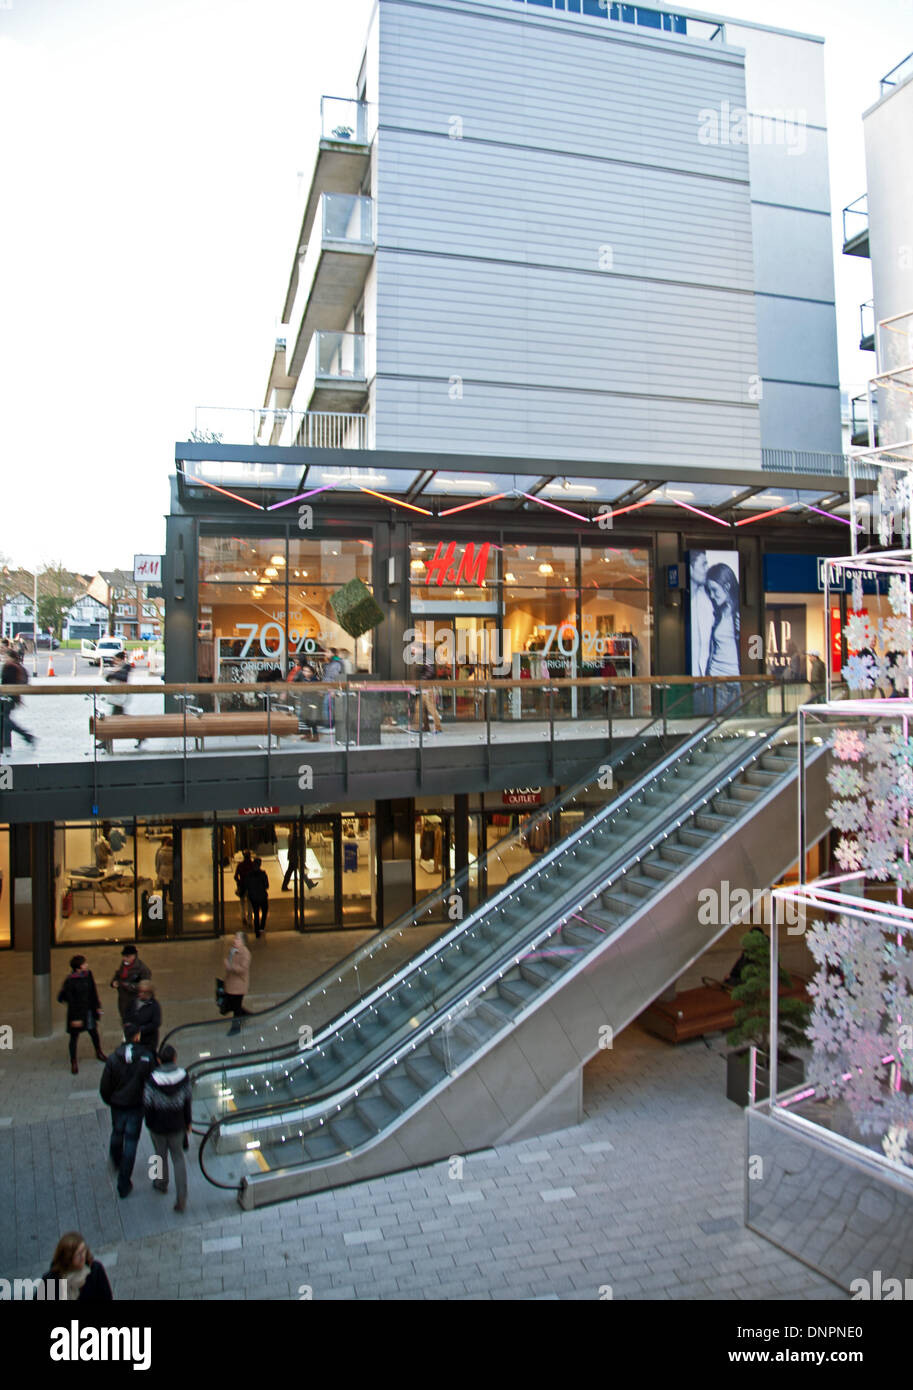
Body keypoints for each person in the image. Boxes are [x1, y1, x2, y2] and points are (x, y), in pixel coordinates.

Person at [99, 1022, 155, 1198]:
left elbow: (105, 1086)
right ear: (137, 1036)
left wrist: (111, 1100)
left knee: (117, 1132)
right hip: (136, 1106)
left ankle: (116, 1160)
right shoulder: (146, 1057)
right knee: (131, 1142)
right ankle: (123, 1183)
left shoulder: (114, 1058)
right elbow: (152, 1084)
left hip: (118, 1104)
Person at [143, 1042, 192, 1213]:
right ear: (175, 1058)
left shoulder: (152, 1080)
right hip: (177, 1123)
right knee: (178, 1158)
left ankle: (160, 1183)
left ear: (159, 1060)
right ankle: (181, 1197)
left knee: (158, 1155)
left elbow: (147, 1103)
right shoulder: (184, 1077)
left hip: (157, 1124)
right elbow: (187, 1100)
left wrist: (148, 1122)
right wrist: (188, 1122)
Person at [58, 954, 106, 1074]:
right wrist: (75, 1018)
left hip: (89, 1010)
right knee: (74, 1037)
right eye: (84, 964)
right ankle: (73, 1061)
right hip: (76, 1013)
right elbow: (66, 999)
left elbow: (93, 992)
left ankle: (99, 1052)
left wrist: (97, 1006)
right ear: (78, 968)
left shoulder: (88, 975)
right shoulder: (70, 981)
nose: (87, 965)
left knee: (94, 1032)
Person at [35, 1233, 113, 1301]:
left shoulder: (95, 1270)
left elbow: (106, 1297)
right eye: (78, 1254)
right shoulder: (51, 1279)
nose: (83, 1256)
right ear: (67, 1257)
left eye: (83, 1251)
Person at [0, 645, 35, 748]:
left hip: (7, 697)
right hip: (13, 698)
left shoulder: (10, 667)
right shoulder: (20, 667)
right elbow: (25, 682)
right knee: (5, 720)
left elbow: (5, 682)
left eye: (6, 657)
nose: (4, 659)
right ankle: (6, 744)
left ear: (11, 657)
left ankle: (26, 736)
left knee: (5, 720)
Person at [110, 944, 151, 1021]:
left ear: (133, 956)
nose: (124, 958)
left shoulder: (142, 969)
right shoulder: (124, 964)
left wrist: (128, 985)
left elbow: (145, 985)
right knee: (125, 1020)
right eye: (124, 956)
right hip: (123, 999)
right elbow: (118, 975)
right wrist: (114, 982)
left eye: (127, 956)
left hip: (134, 1000)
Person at [223, 931, 252, 1033]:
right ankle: (245, 1014)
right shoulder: (232, 950)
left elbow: (243, 969)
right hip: (230, 983)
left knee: (236, 1007)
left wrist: (230, 967)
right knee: (234, 1005)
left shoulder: (246, 953)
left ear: (243, 942)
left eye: (237, 939)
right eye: (235, 938)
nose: (235, 940)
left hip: (239, 985)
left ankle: (235, 1028)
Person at [124, 978, 162, 1053]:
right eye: (139, 991)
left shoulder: (154, 1006)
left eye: (143, 992)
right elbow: (126, 1015)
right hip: (132, 1037)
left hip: (147, 1040)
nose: (140, 994)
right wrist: (128, 1025)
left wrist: (141, 1030)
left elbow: (156, 1023)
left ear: (149, 993)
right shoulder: (133, 1002)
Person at [411, 643, 442, 733]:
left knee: (431, 708)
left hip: (427, 688)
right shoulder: (419, 659)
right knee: (419, 708)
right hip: (422, 687)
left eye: (414, 648)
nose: (412, 650)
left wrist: (421, 681)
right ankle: (422, 727)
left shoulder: (426, 658)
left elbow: (431, 671)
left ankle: (438, 727)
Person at [292, 661, 321, 741]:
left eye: (308, 671)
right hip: (304, 701)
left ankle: (315, 735)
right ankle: (307, 733)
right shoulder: (303, 680)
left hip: (312, 701)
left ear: (312, 672)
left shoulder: (315, 680)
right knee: (305, 718)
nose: (305, 673)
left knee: (312, 719)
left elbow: (316, 691)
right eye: (304, 671)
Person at [245, 857, 270, 938]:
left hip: (253, 897)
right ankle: (261, 927)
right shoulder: (263, 874)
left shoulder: (249, 874)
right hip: (262, 896)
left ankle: (257, 931)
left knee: (256, 914)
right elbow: (267, 886)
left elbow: (247, 885)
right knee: (264, 911)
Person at [234, 847, 254, 927]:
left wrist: (239, 882)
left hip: (242, 886)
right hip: (250, 887)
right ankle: (250, 921)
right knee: (250, 904)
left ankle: (243, 917)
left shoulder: (240, 865)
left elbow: (235, 876)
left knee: (242, 903)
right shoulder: (252, 865)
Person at [155, 835, 174, 902]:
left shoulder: (160, 851)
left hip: (163, 870)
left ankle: (164, 898)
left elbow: (158, 862)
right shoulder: (173, 852)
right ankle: (171, 897)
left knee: (164, 886)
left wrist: (157, 871)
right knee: (171, 884)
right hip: (171, 870)